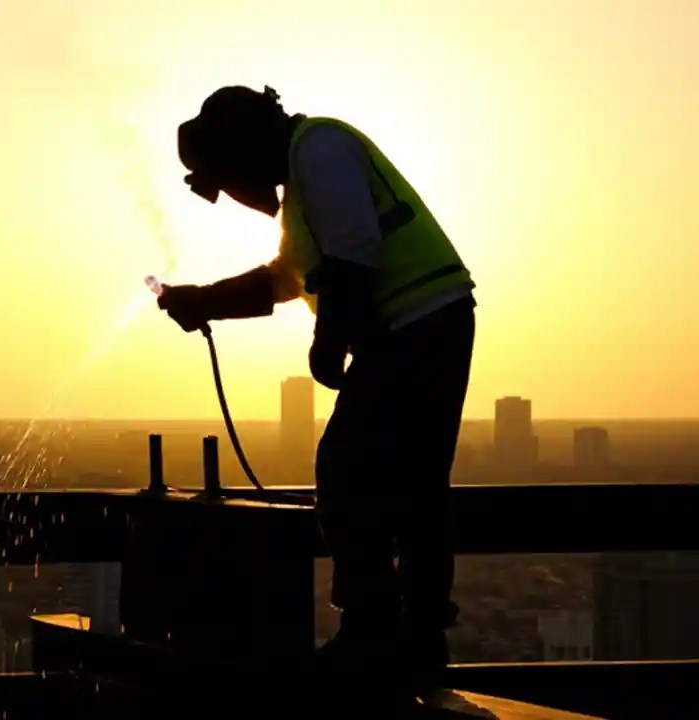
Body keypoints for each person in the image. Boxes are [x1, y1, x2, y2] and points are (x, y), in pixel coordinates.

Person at [157, 85, 476, 693]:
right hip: (423, 323)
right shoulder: (305, 183)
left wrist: (329, 342)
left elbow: (355, 254)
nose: (237, 192)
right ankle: (412, 636)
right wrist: (206, 300)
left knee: (350, 471)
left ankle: (374, 632)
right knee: (412, 484)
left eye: (227, 176)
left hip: (417, 324)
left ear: (244, 145)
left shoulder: (319, 148)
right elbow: (287, 277)